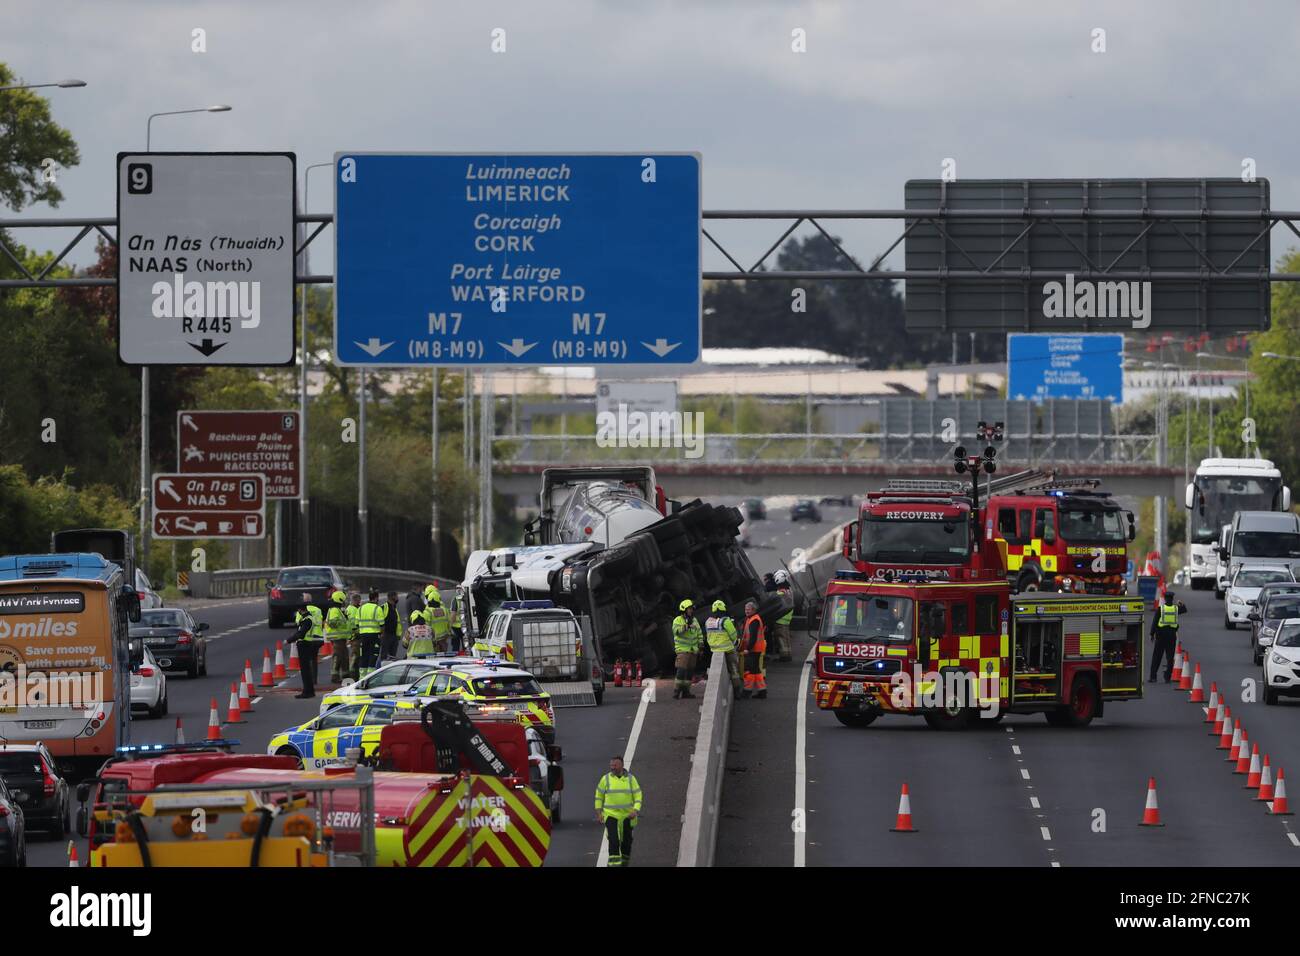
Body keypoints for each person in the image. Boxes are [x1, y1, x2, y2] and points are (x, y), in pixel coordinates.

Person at [594, 756, 642, 867]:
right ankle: (613, 865)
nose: (612, 768)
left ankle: (624, 863)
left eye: (615, 765)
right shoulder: (605, 779)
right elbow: (599, 796)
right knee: (614, 840)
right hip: (611, 815)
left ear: (621, 765)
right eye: (611, 765)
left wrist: (635, 810)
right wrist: (599, 812)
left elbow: (638, 795)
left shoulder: (631, 779)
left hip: (627, 816)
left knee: (626, 843)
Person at [704, 599, 742, 699]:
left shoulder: (708, 621)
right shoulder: (726, 621)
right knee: (734, 671)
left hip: (715, 650)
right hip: (728, 649)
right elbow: (733, 634)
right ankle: (737, 692)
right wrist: (736, 642)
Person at [1148, 590, 1188, 683]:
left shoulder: (1161, 609)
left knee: (1157, 657)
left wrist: (1151, 634)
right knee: (1170, 657)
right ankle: (1167, 677)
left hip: (1161, 635)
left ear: (1165, 599)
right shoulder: (1175, 608)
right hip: (1171, 635)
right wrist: (1181, 603)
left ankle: (1153, 677)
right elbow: (1185, 609)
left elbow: (1154, 622)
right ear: (1172, 599)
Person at [671, 598, 704, 699]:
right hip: (682, 650)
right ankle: (676, 691)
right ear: (684, 610)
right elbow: (676, 631)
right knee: (681, 670)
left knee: (690, 672)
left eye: (691, 609)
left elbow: (699, 633)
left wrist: (701, 646)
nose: (691, 610)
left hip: (693, 650)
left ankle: (686, 692)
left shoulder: (694, 620)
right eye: (689, 609)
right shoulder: (677, 620)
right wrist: (686, 626)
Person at [292, 600, 324, 699]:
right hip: (317, 637)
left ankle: (308, 690)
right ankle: (313, 680)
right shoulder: (317, 610)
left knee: (305, 667)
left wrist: (290, 640)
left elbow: (298, 623)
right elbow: (320, 622)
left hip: (305, 641)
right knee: (313, 659)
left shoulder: (304, 617)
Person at [740, 599, 767, 699]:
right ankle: (762, 691)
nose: (746, 611)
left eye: (749, 610)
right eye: (746, 609)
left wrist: (748, 648)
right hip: (757, 649)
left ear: (754, 610)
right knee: (756, 671)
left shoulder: (754, 620)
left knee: (749, 671)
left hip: (753, 649)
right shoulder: (751, 619)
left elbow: (753, 637)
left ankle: (747, 691)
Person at [355, 589, 385, 678]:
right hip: (374, 635)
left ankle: (362, 677)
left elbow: (356, 624)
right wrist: (381, 634)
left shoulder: (360, 608)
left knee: (364, 656)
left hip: (363, 636)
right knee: (373, 656)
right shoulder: (377, 608)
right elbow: (382, 624)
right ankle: (370, 676)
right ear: (376, 598)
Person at [772, 570, 794, 662]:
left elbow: (774, 600)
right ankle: (788, 654)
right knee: (786, 638)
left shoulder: (780, 592)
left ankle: (784, 656)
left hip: (780, 619)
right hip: (787, 619)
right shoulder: (789, 590)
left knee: (781, 638)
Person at [379, 590, 404, 663]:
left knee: (393, 657)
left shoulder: (394, 608)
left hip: (394, 636)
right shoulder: (384, 607)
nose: (397, 598)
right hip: (386, 636)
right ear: (392, 597)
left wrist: (398, 635)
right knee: (384, 657)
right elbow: (380, 621)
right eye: (396, 596)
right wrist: (381, 634)